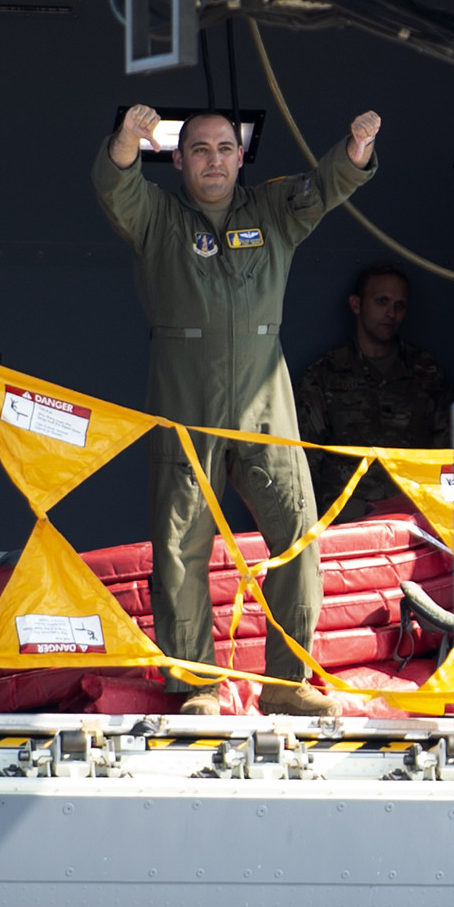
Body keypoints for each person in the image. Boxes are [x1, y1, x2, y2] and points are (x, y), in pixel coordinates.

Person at [92, 101, 378, 706]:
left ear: (241, 156)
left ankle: (284, 684)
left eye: (225, 148)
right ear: (177, 159)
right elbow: (117, 186)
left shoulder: (272, 209)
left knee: (297, 538)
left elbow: (324, 188)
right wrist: (124, 139)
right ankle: (196, 684)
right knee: (181, 549)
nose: (214, 160)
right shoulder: (160, 219)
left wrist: (355, 150)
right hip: (185, 400)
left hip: (263, 401)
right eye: (199, 149)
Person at [296, 262, 454, 515]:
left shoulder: (427, 372)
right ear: (357, 305)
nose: (391, 313)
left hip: (414, 517)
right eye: (382, 302)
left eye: (399, 305)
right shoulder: (323, 376)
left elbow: (446, 453)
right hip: (347, 520)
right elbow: (304, 463)